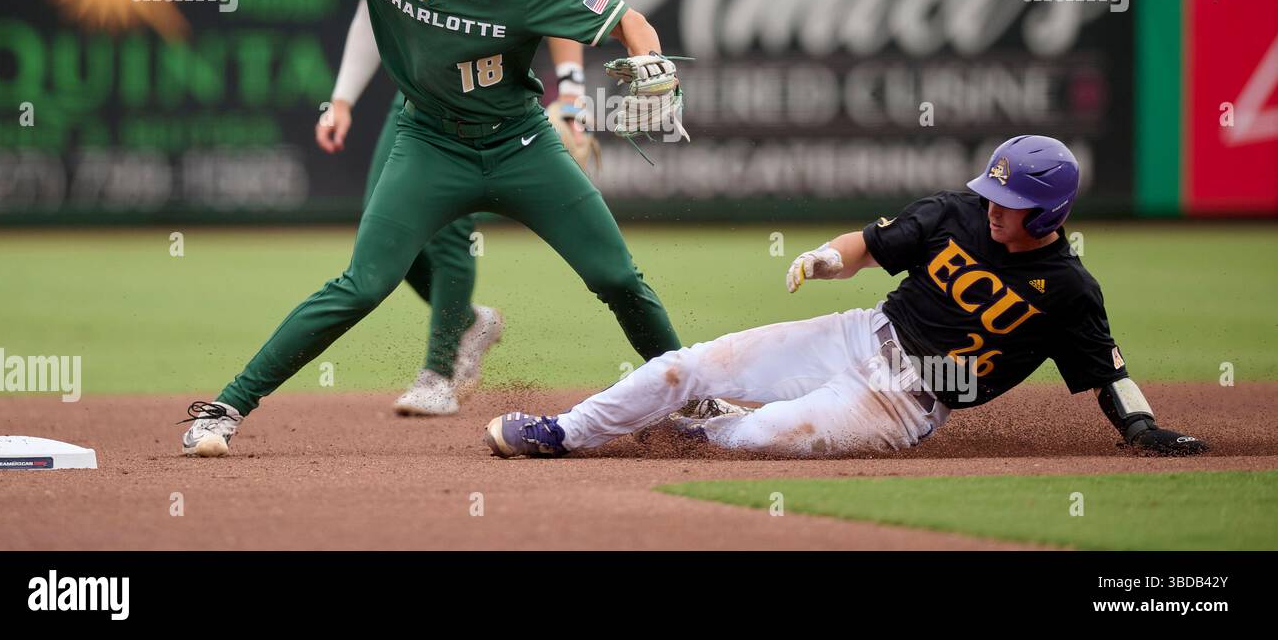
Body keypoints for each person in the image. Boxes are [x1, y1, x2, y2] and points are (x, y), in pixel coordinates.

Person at [180, 0, 686, 457]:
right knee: (362, 284)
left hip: (519, 145)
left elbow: (632, 22)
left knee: (616, 275)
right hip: (428, 143)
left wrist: (652, 67)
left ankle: (694, 395)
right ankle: (226, 407)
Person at [484, 136, 1209, 460]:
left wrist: (1142, 430)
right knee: (687, 367)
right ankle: (562, 432)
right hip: (863, 332)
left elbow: (1107, 372)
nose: (994, 207)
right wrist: (828, 257)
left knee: (768, 438)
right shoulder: (958, 211)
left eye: (1011, 200)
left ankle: (698, 436)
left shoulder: (1070, 291)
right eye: (993, 189)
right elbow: (873, 243)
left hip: (911, 400)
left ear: (1049, 216)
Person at [314, 0, 592, 417]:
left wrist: (571, 92)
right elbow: (369, 13)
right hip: (416, 97)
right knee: (385, 241)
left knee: (451, 232)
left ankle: (440, 372)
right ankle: (468, 320)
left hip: (490, 101)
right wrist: (343, 99)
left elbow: (562, 5)